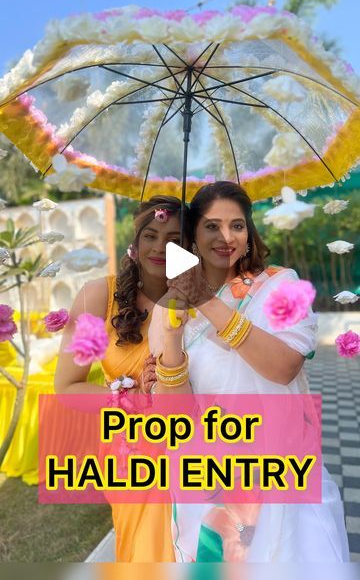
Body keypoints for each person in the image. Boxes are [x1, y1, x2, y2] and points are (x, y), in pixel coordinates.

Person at [148, 180, 350, 562]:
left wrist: (204, 300)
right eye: (211, 226)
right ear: (191, 234)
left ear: (249, 231)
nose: (226, 237)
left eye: (237, 225)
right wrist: (173, 338)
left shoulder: (281, 285)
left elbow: (284, 367)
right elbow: (176, 417)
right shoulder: (168, 308)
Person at [54, 195, 190, 562]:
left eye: (175, 239)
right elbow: (67, 387)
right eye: (151, 235)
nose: (161, 247)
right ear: (136, 240)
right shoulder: (98, 296)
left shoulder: (206, 302)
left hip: (196, 450)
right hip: (134, 455)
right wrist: (133, 400)